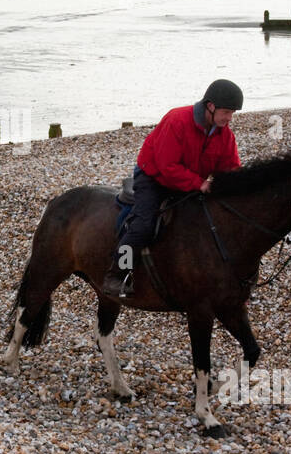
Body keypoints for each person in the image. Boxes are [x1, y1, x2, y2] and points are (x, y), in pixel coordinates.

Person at [102, 79, 244, 298]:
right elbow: (167, 167)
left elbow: (231, 167)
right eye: (226, 112)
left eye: (232, 113)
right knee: (143, 225)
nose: (229, 118)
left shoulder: (224, 135)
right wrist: (200, 184)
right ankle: (117, 274)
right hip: (153, 177)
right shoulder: (176, 120)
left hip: (190, 180)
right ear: (210, 106)